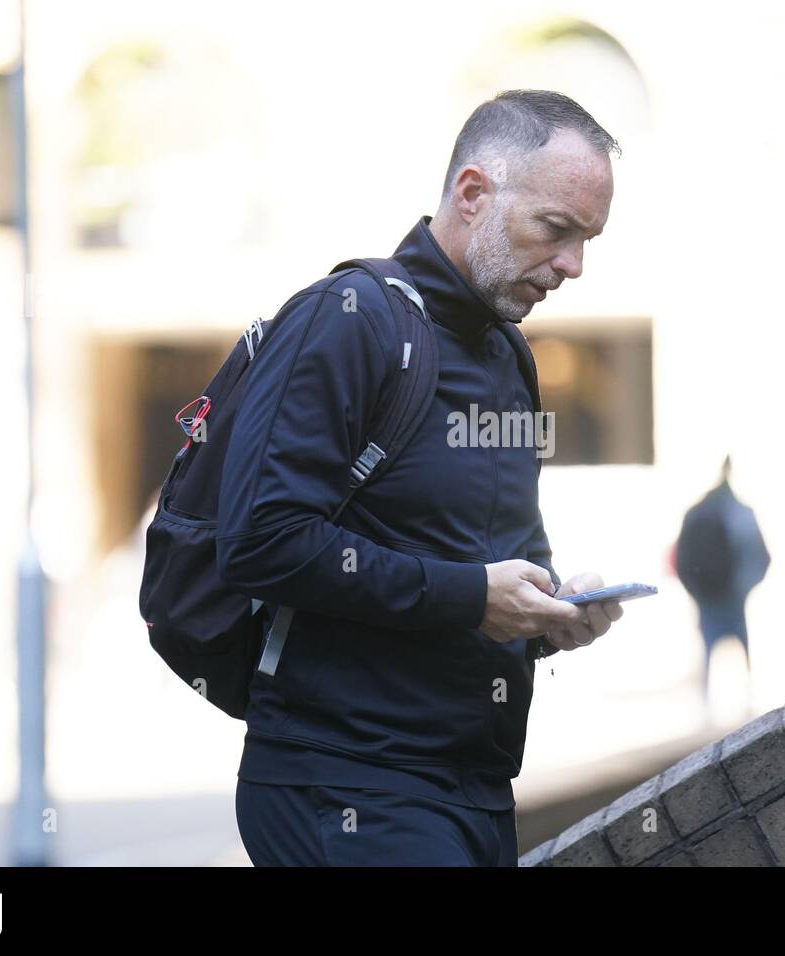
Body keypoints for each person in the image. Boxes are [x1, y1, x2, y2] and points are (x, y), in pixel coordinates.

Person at [217, 90, 623, 866]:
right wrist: (474, 598)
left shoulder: (509, 357)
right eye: (556, 230)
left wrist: (548, 610)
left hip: (470, 790)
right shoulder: (347, 317)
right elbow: (260, 542)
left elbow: (481, 572)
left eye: (588, 240)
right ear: (473, 194)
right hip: (343, 786)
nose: (572, 266)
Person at [674, 456, 770, 714]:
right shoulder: (741, 513)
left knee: (708, 653)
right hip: (732, 596)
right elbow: (761, 556)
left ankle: (704, 710)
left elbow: (680, 559)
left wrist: (696, 592)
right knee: (741, 651)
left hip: (707, 596)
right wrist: (743, 588)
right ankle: (746, 703)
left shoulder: (696, 512)